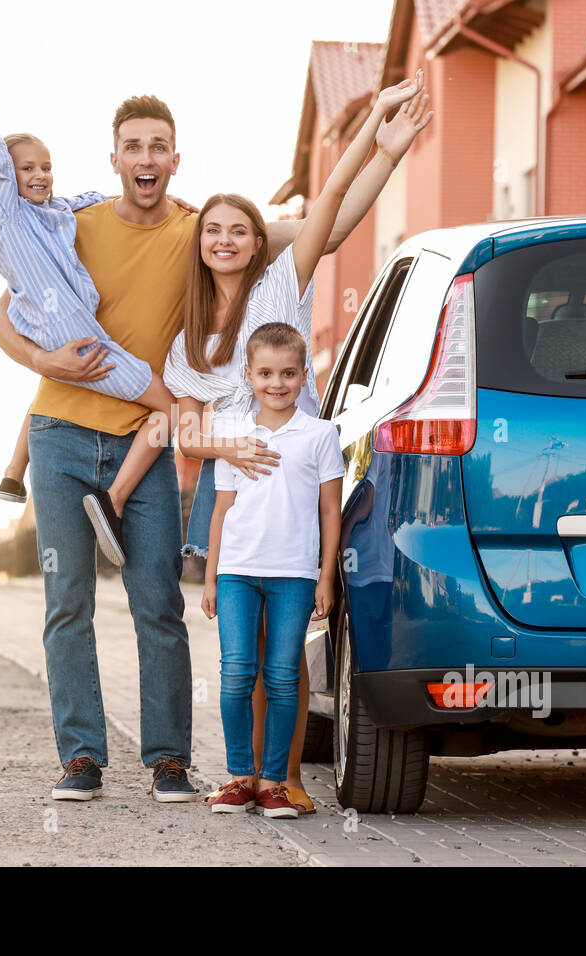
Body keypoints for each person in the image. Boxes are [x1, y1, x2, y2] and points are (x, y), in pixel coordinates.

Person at [0, 74, 424, 806]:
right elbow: (4, 312)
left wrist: (382, 147)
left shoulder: (200, 231)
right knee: (68, 602)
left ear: (175, 159)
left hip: (141, 439)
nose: (145, 157)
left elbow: (328, 225)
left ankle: (171, 762)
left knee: (159, 603)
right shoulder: (73, 224)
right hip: (60, 429)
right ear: (115, 157)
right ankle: (83, 759)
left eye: (158, 145)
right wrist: (41, 360)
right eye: (133, 147)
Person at [167, 75, 432, 812]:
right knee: (240, 662)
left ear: (258, 241)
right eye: (213, 230)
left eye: (239, 230)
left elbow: (329, 211)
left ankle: (282, 777)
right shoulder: (190, 335)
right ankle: (244, 774)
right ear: (200, 243)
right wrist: (229, 447)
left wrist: (381, 142)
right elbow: (184, 429)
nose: (225, 240)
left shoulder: (282, 284)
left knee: (289, 654)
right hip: (230, 496)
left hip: (304, 481)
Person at [0, 31, 182, 566]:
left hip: (71, 336)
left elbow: (99, 198)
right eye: (28, 169)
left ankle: (12, 474)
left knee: (131, 399)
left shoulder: (57, 217)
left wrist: (174, 201)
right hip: (82, 344)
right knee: (171, 407)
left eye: (46, 166)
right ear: (5, 178)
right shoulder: (5, 215)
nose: (40, 175)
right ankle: (112, 503)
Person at [201, 324, 344, 816]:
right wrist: (210, 577)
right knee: (237, 672)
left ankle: (275, 783)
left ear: (304, 376)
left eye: (287, 373)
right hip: (237, 571)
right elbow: (221, 510)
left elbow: (330, 511)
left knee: (283, 675)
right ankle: (239, 776)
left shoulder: (321, 434)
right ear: (249, 375)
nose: (276, 383)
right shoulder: (231, 436)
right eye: (265, 373)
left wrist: (326, 576)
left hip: (295, 575)